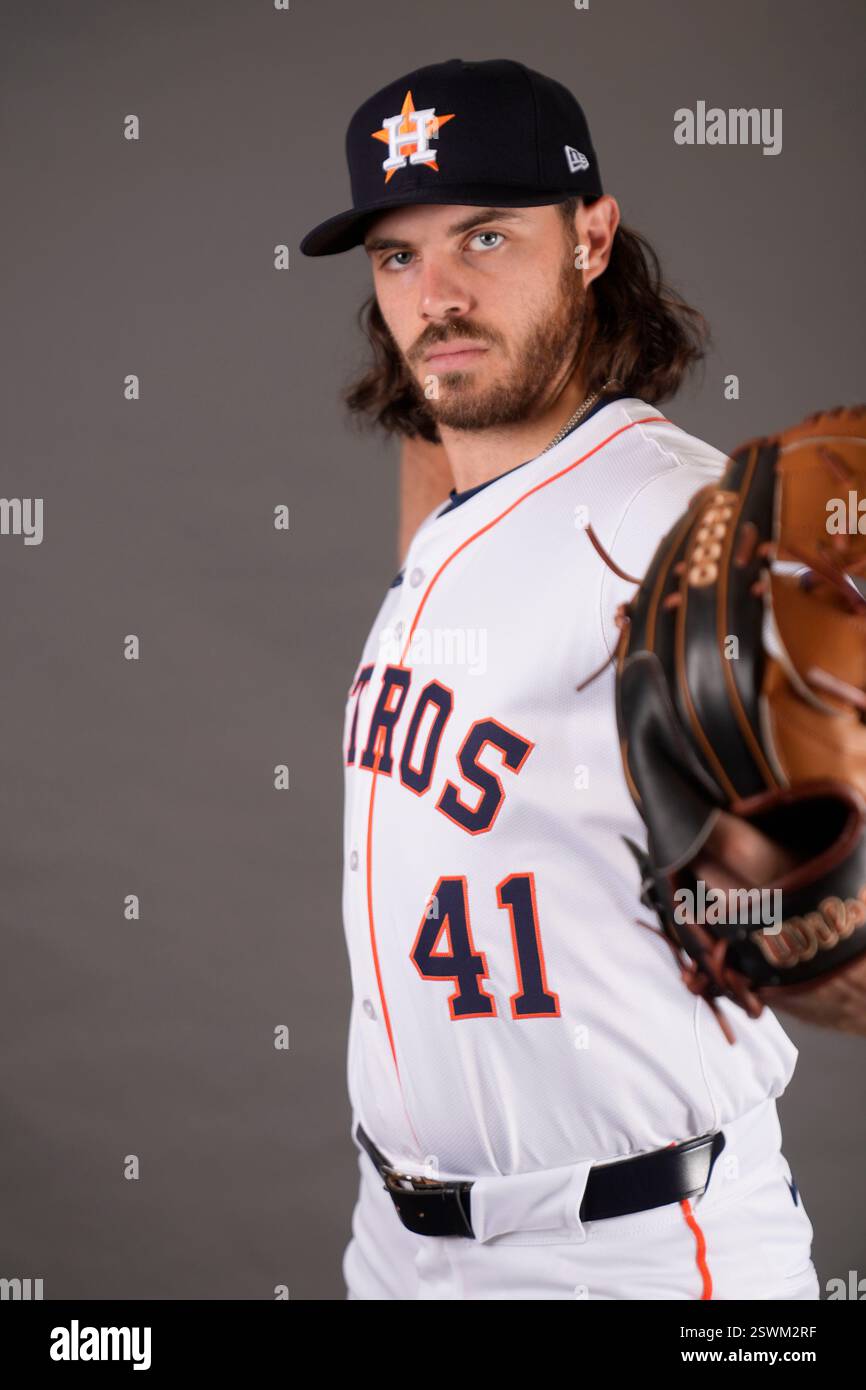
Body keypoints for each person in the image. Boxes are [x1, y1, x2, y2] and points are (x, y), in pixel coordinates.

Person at [300, 57, 860, 1300]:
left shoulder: (688, 528)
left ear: (592, 234)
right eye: (395, 257)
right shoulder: (458, 508)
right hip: (393, 1241)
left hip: (632, 1253)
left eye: (483, 236)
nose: (434, 294)